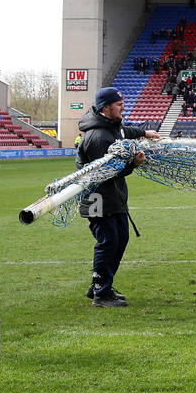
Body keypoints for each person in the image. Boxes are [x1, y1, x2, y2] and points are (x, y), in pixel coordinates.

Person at [75, 87, 160, 307]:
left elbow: (124, 132)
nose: (124, 107)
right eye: (119, 104)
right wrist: (133, 164)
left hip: (113, 197)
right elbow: (107, 172)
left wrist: (143, 133)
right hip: (98, 199)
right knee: (108, 241)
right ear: (105, 107)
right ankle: (101, 294)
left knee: (120, 238)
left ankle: (101, 283)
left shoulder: (112, 127)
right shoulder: (98, 137)